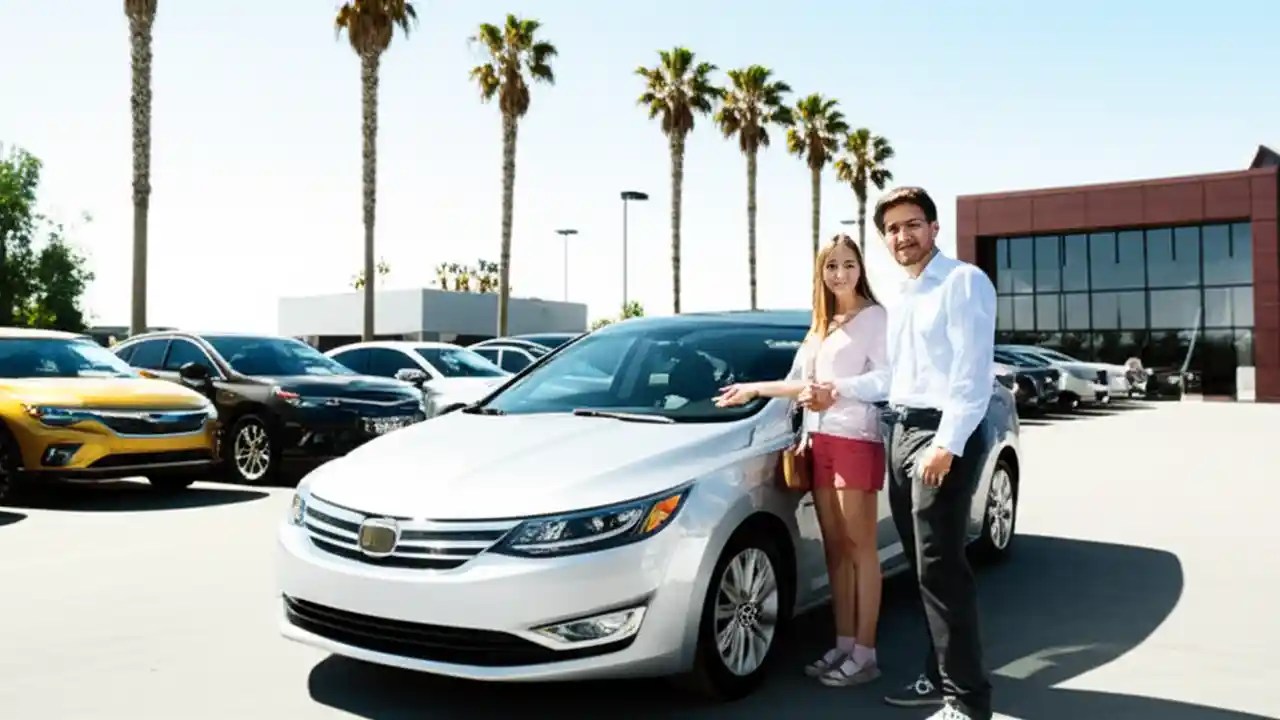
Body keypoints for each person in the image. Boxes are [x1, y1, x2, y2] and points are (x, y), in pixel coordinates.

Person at [809, 187, 997, 720]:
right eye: (891, 229)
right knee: (921, 567)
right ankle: (939, 679)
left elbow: (971, 374)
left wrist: (947, 444)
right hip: (902, 429)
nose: (902, 236)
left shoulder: (963, 282)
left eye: (912, 225)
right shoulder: (906, 293)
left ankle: (967, 701)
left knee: (941, 569)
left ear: (934, 228)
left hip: (940, 434)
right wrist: (836, 391)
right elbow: (895, 378)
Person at [714, 233, 890, 688]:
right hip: (819, 445)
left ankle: (866, 655)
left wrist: (838, 391)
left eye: (848, 264)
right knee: (834, 550)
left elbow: (887, 379)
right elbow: (798, 382)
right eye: (831, 266)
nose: (840, 273)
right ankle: (844, 644)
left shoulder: (874, 317)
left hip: (856, 440)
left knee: (860, 550)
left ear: (860, 268)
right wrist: (754, 389)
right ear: (821, 272)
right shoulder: (820, 325)